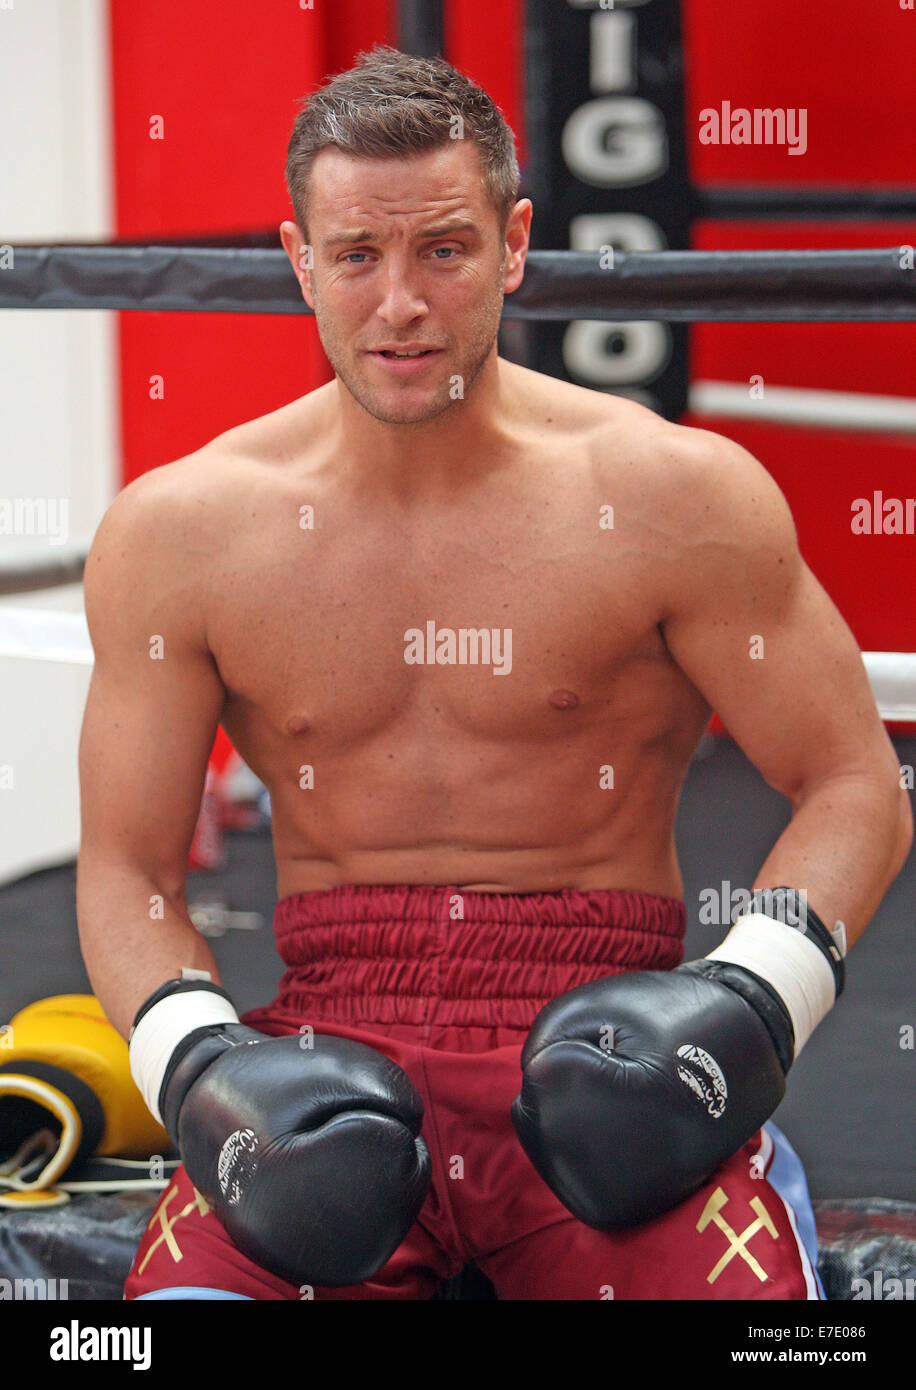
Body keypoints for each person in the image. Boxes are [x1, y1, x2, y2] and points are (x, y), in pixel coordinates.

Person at [76, 47, 911, 1301]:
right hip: (323, 1061)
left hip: (608, 1052)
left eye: (445, 250)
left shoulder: (673, 495)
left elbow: (855, 784)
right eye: (356, 256)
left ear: (515, 244)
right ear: (300, 260)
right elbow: (127, 866)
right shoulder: (181, 531)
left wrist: (744, 1007)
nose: (401, 304)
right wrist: (199, 1063)